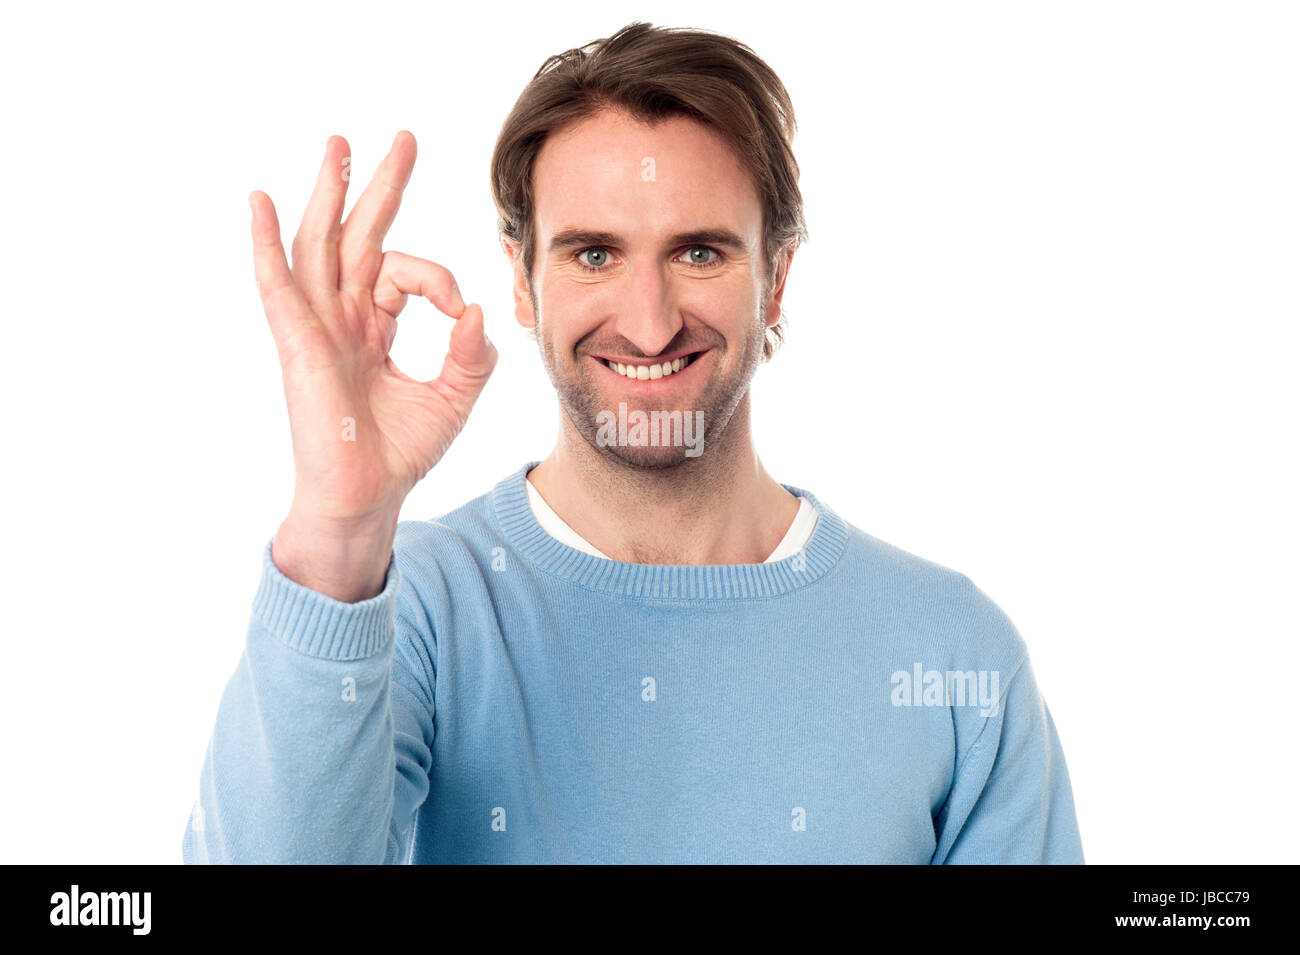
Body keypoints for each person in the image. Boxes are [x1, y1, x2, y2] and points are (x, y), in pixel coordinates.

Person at [183, 21, 1084, 864]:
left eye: (699, 252)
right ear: (523, 282)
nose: (649, 326)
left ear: (776, 278)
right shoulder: (415, 608)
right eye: (593, 254)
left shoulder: (954, 650)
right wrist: (339, 527)